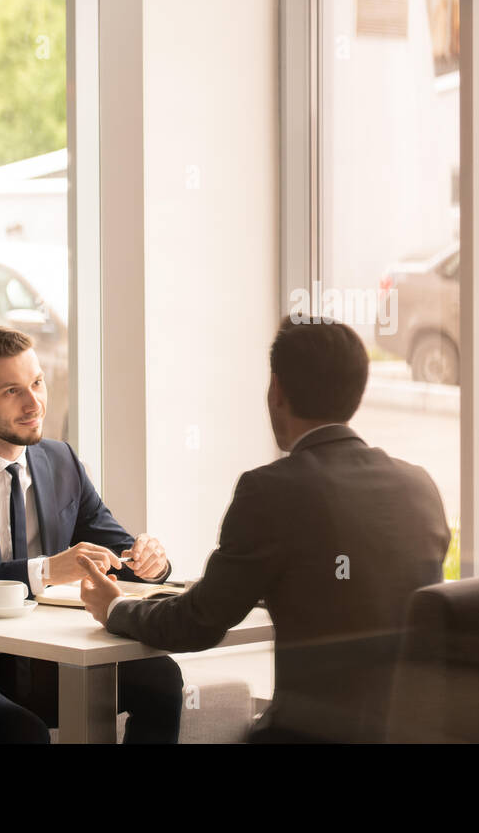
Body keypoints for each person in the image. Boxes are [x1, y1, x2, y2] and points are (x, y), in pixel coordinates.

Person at [79, 315, 450, 742]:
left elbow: (197, 623)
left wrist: (114, 608)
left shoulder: (270, 489)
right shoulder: (419, 485)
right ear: (357, 391)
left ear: (276, 390)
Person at [0, 326, 182, 743]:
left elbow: (117, 551)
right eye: (12, 391)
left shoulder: (61, 460)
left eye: (38, 383)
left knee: (161, 677)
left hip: (48, 659)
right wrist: (42, 570)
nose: (34, 404)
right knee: (21, 733)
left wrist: (152, 562)